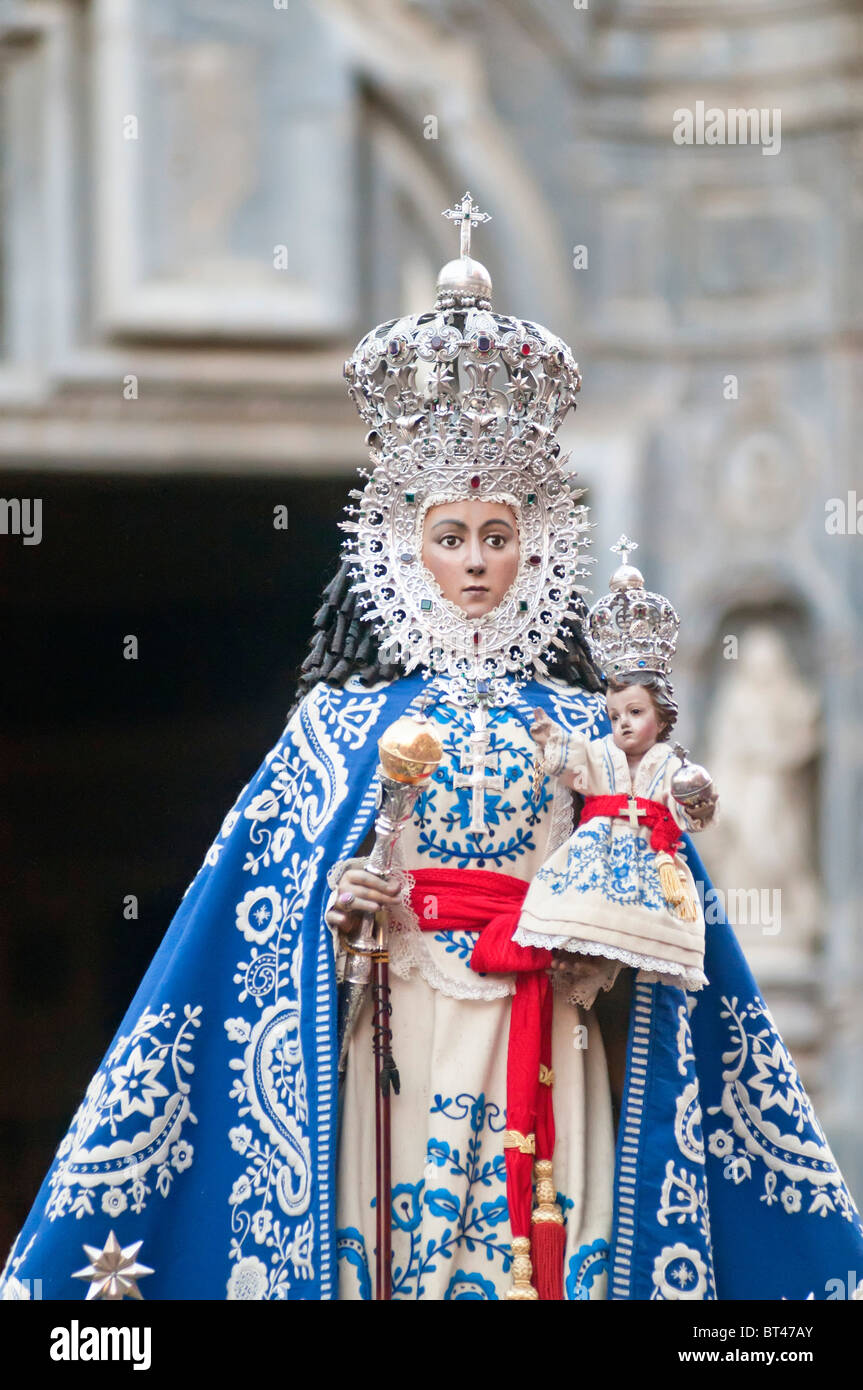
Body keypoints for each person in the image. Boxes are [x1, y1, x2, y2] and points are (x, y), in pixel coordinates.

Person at [2, 194, 862, 1302]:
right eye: (449, 537)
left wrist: (611, 915)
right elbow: (246, 945)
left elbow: (662, 928)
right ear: (404, 552)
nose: (472, 562)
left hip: (545, 1034)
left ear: (531, 546)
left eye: (496, 536)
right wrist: (345, 911)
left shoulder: (582, 729)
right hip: (392, 1039)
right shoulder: (331, 736)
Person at [514, 548, 719, 1009]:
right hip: (597, 848)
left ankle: (617, 963)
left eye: (635, 713)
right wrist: (550, 738)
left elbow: (688, 812)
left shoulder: (671, 762)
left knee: (641, 924)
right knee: (581, 911)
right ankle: (574, 954)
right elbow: (574, 762)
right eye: (614, 715)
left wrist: (699, 802)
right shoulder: (601, 752)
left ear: (662, 716)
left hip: (650, 854)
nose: (623, 723)